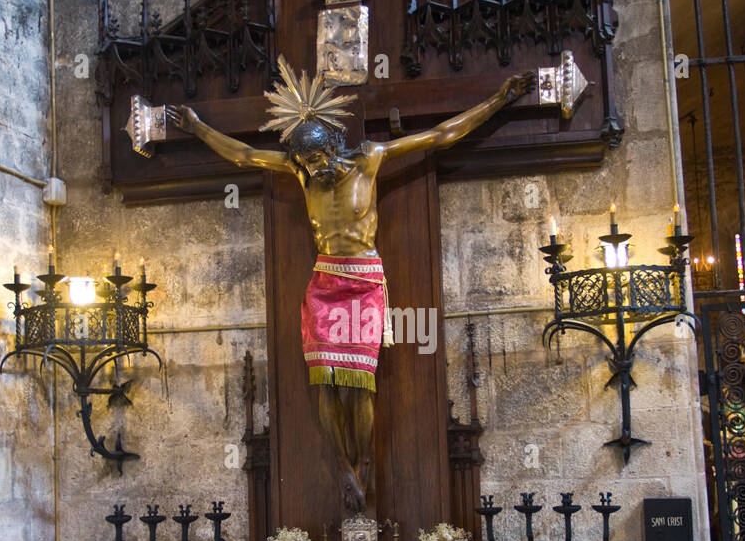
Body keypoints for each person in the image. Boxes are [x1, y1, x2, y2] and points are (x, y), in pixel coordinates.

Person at [167, 56, 533, 513]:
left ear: (335, 143)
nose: (314, 167)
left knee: (359, 384)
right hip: (324, 282)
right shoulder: (302, 173)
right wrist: (199, 128)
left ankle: (362, 463)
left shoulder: (369, 160)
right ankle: (341, 466)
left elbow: (440, 135)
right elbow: (244, 154)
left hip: (364, 282)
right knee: (323, 384)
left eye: (319, 157)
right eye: (305, 161)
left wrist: (499, 100)